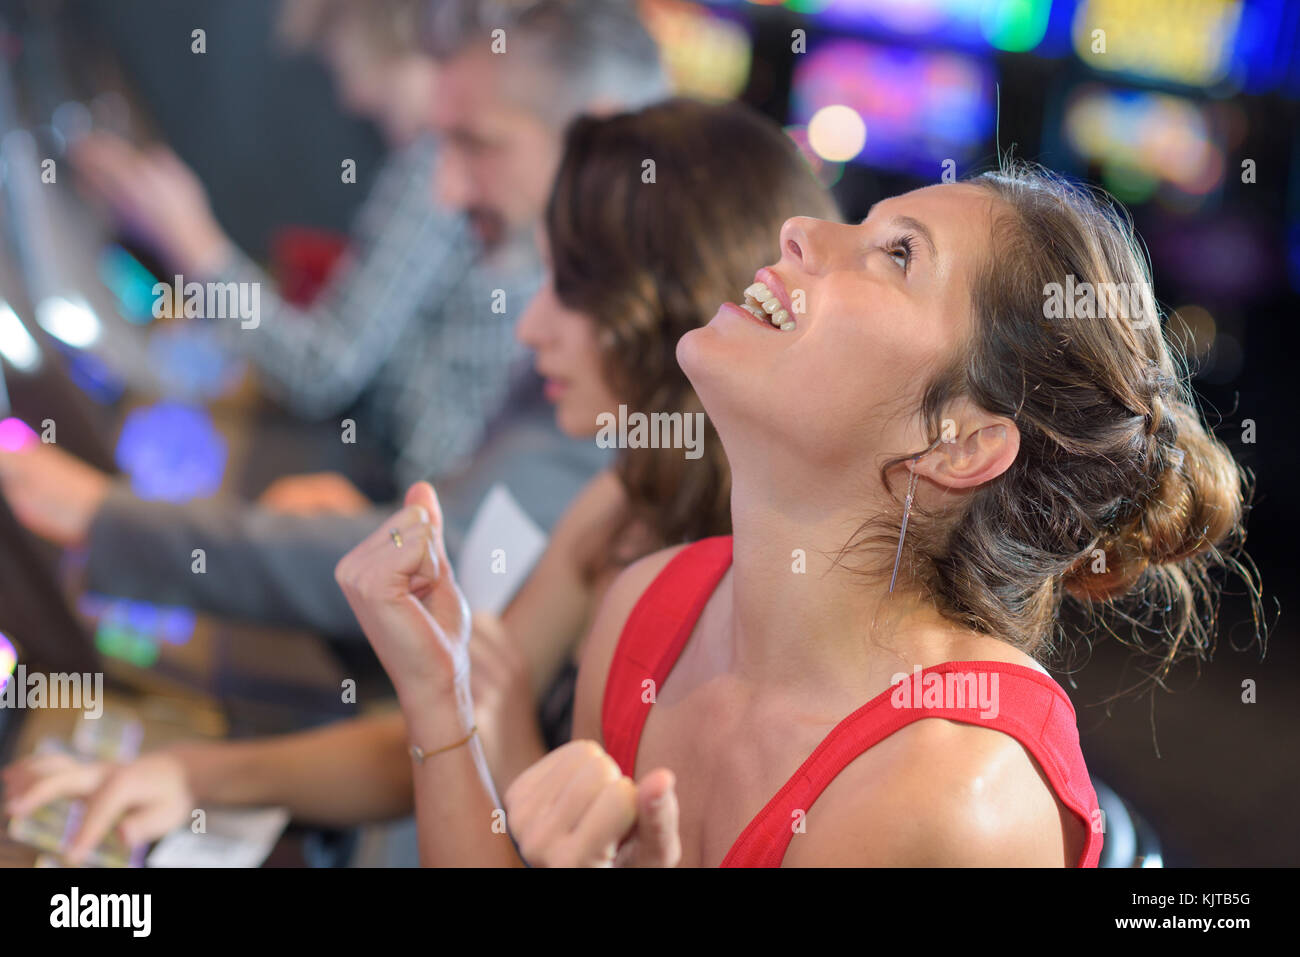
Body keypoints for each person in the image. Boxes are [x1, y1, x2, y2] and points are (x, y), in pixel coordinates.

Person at [332, 160, 1262, 867]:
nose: (798, 230)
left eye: (897, 254)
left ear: (960, 444)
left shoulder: (952, 792)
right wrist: (441, 700)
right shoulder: (645, 605)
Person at [1, 98, 840, 863]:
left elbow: (477, 755)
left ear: (673, 308)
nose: (533, 323)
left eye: (573, 291)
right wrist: (194, 773)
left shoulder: (737, 582)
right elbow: (433, 745)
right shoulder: (620, 498)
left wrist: (489, 730)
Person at [0, 0, 669, 639]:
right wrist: (378, 522)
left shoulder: (620, 346)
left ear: (599, 134)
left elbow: (445, 569)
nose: (443, 186)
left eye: (476, 142)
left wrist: (105, 520)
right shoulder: (576, 293)